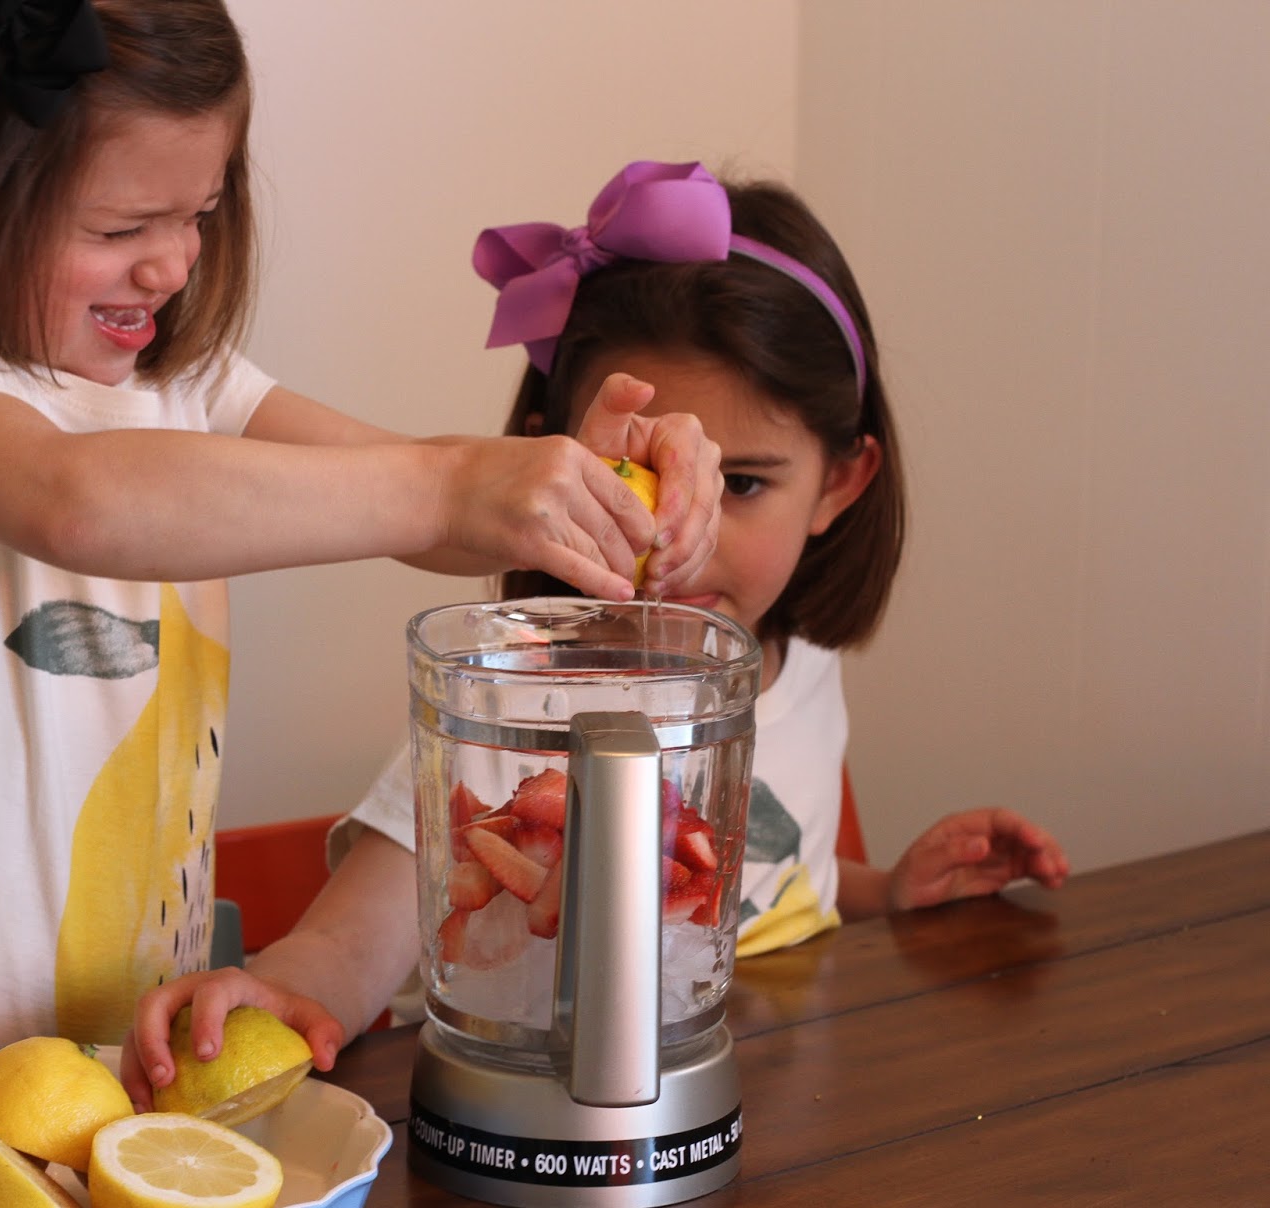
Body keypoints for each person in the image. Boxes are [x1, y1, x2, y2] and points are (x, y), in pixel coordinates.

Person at [0, 9, 730, 1186]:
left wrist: (578, 483)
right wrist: (453, 490)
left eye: (200, 215)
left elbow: (411, 505)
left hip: (115, 1106)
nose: (172, 264)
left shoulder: (194, 385)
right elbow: (76, 499)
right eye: (122, 225)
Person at [123, 160, 1071, 1109]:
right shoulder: (516, 711)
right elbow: (349, 946)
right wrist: (286, 993)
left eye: (741, 484)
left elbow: (773, 884)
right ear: (546, 468)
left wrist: (883, 895)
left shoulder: (796, 666)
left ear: (839, 483)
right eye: (636, 482)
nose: (678, 536)